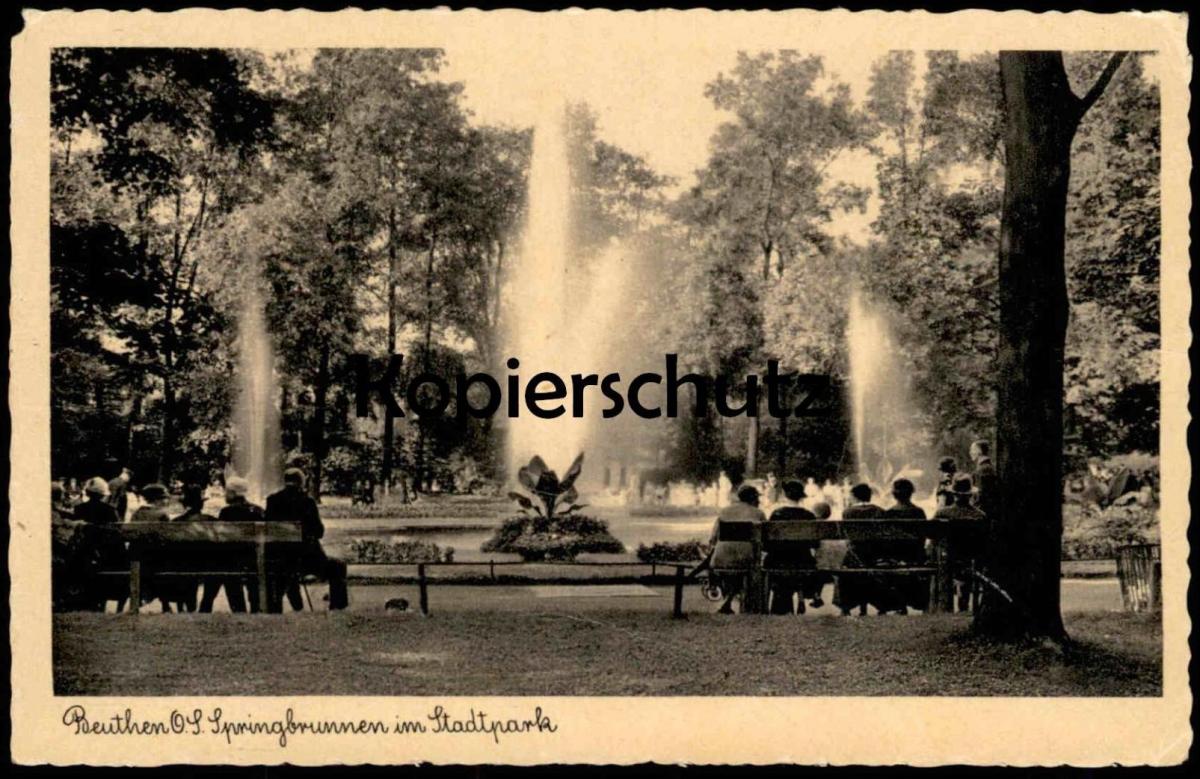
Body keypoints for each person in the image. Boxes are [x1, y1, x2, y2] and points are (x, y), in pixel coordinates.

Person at [265, 468, 349, 611]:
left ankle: (280, 608)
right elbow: (319, 532)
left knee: (284, 573)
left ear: (285, 481)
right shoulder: (307, 502)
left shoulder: (272, 501)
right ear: (301, 482)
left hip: (280, 559)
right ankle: (337, 607)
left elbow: (269, 529)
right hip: (306, 560)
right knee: (338, 566)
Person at [198, 477, 262, 613]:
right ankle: (255, 608)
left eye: (227, 492)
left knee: (220, 566)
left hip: (231, 560)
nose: (225, 495)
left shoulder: (227, 512)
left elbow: (222, 538)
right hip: (253, 558)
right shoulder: (258, 510)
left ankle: (235, 609)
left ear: (233, 493)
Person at [703, 485, 766, 614]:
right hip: (745, 558)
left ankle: (727, 602)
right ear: (753, 498)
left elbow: (713, 538)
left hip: (720, 558)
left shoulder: (725, 511)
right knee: (747, 566)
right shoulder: (758, 513)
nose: (759, 501)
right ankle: (735, 603)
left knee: (734, 568)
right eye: (757, 498)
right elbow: (765, 540)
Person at [764, 479, 824, 614]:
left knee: (775, 563)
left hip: (778, 560)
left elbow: (768, 543)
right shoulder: (809, 515)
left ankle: (782, 605)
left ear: (785, 495)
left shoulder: (777, 514)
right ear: (801, 496)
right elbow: (815, 543)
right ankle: (803, 597)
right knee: (804, 562)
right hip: (803, 560)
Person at [934, 474, 987, 611]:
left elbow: (933, 536)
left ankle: (945, 606)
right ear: (970, 495)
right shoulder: (980, 515)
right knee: (967, 562)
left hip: (948, 558)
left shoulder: (942, 514)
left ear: (954, 494)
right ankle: (965, 602)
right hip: (972, 558)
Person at [881, 478, 930, 613]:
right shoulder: (919, 512)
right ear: (911, 493)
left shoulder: (889, 513)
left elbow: (885, 540)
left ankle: (899, 605)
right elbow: (922, 537)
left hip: (894, 556)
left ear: (894, 494)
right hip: (915, 555)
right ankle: (920, 602)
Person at [836, 483, 885, 616]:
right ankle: (881, 604)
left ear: (854, 496)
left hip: (854, 555)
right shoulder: (880, 511)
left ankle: (845, 606)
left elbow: (844, 536)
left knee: (846, 564)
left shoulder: (848, 512)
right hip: (875, 555)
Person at [969, 440, 997, 523]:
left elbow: (980, 496)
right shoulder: (987, 467)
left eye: (972, 449)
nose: (970, 452)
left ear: (979, 451)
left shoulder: (982, 470)